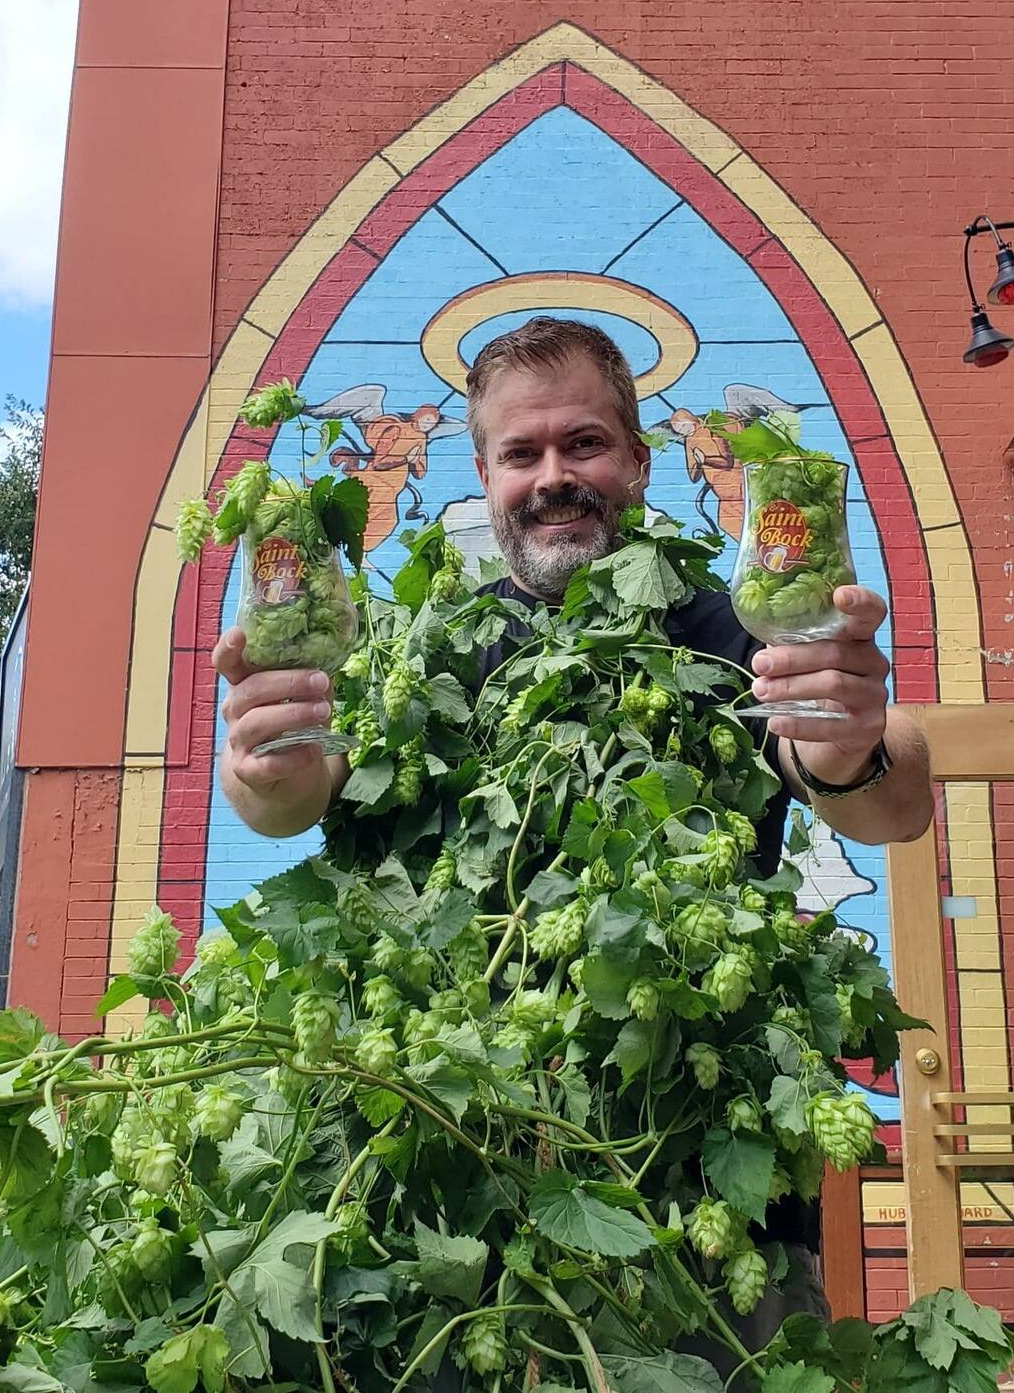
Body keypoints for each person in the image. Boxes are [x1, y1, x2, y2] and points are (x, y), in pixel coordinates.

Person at [214, 316, 934, 1345]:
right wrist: (266, 763)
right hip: (461, 1200)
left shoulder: (739, 631)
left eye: (584, 443)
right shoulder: (420, 644)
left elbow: (892, 796)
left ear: (638, 462)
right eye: (523, 453)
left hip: (703, 1200)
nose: (555, 475)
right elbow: (293, 794)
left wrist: (849, 738)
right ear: (485, 471)